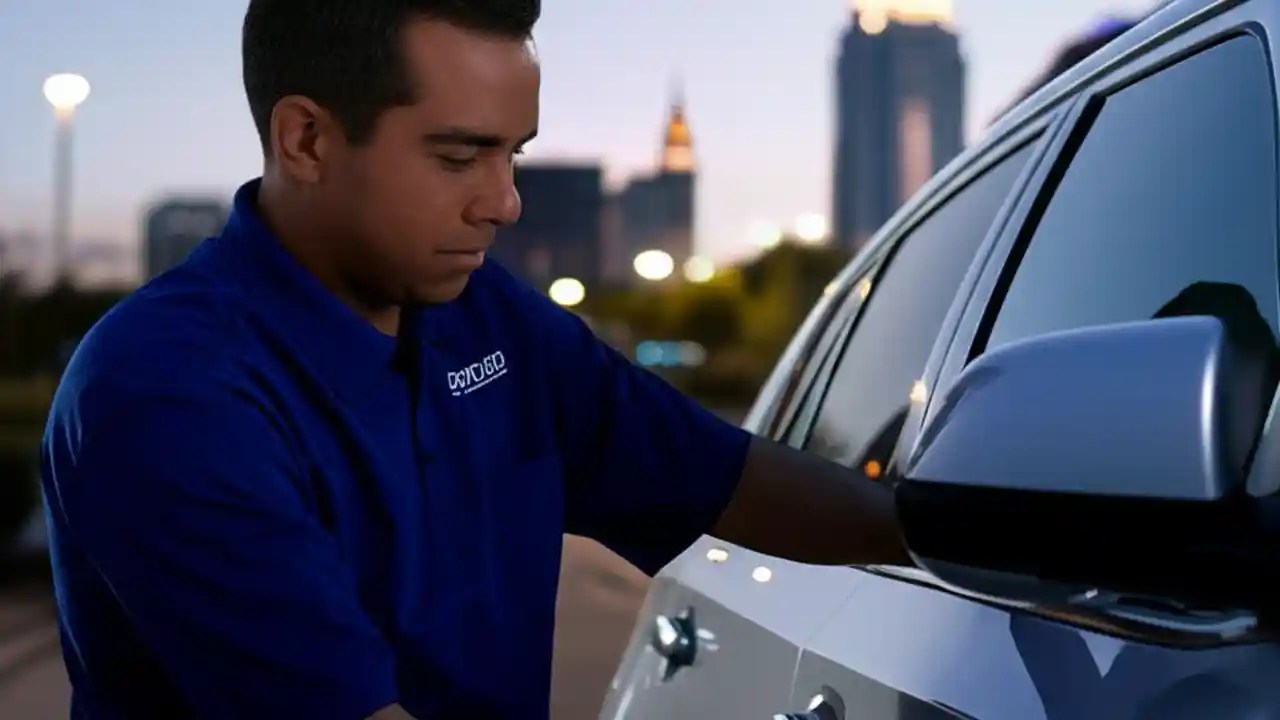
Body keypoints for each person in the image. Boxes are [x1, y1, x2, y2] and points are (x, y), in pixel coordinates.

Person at [39, 1, 908, 717]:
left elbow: (731, 479)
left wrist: (943, 536)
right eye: (460, 157)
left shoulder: (489, 320)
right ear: (306, 140)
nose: (505, 202)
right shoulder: (165, 389)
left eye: (513, 153)